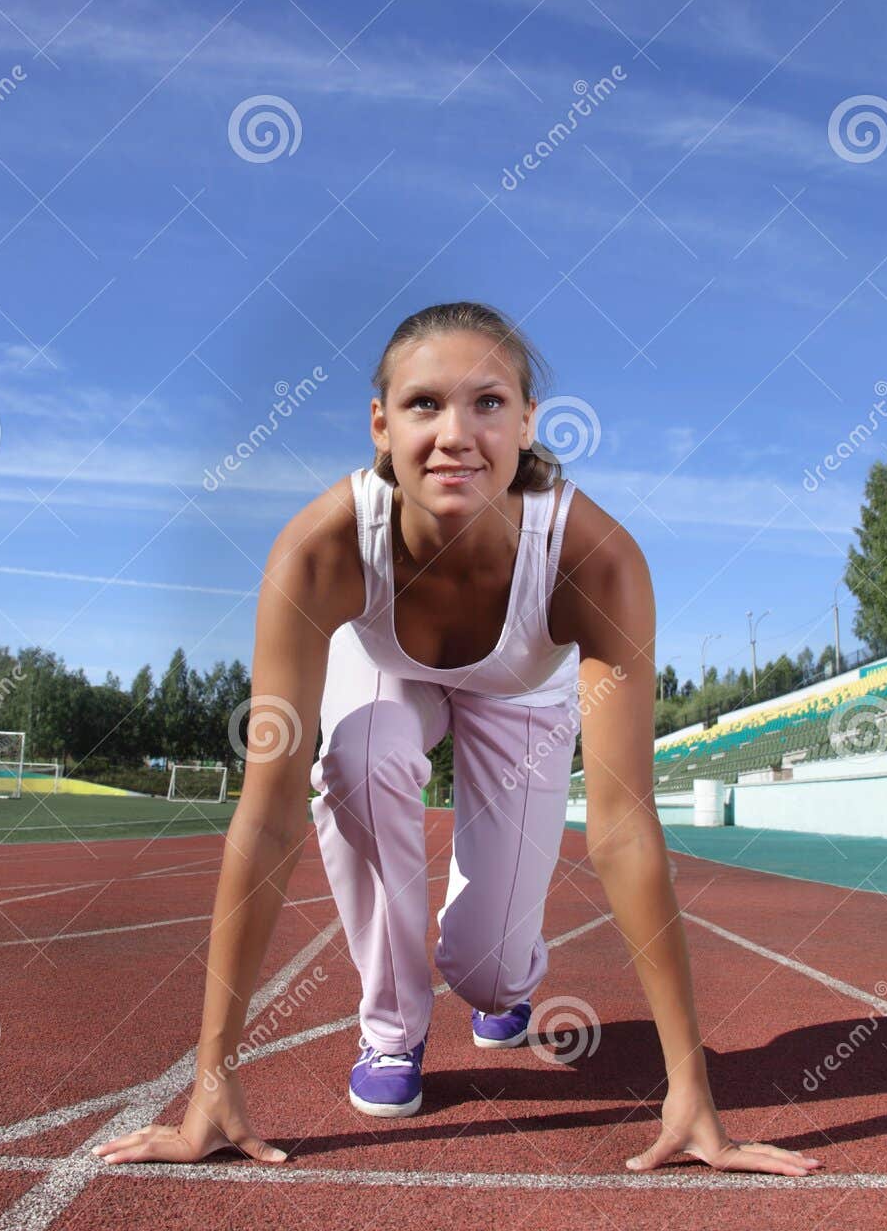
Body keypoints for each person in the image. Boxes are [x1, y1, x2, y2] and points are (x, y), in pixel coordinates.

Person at [92, 300, 823, 1178]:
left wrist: (691, 1092)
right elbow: (269, 813)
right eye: (423, 405)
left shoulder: (593, 559)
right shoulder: (322, 549)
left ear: (525, 423)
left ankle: (503, 982)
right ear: (379, 424)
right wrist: (211, 1081)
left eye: (486, 404)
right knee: (355, 761)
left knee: (485, 969)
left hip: (521, 694)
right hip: (389, 669)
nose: (454, 435)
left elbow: (625, 825)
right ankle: (391, 1032)